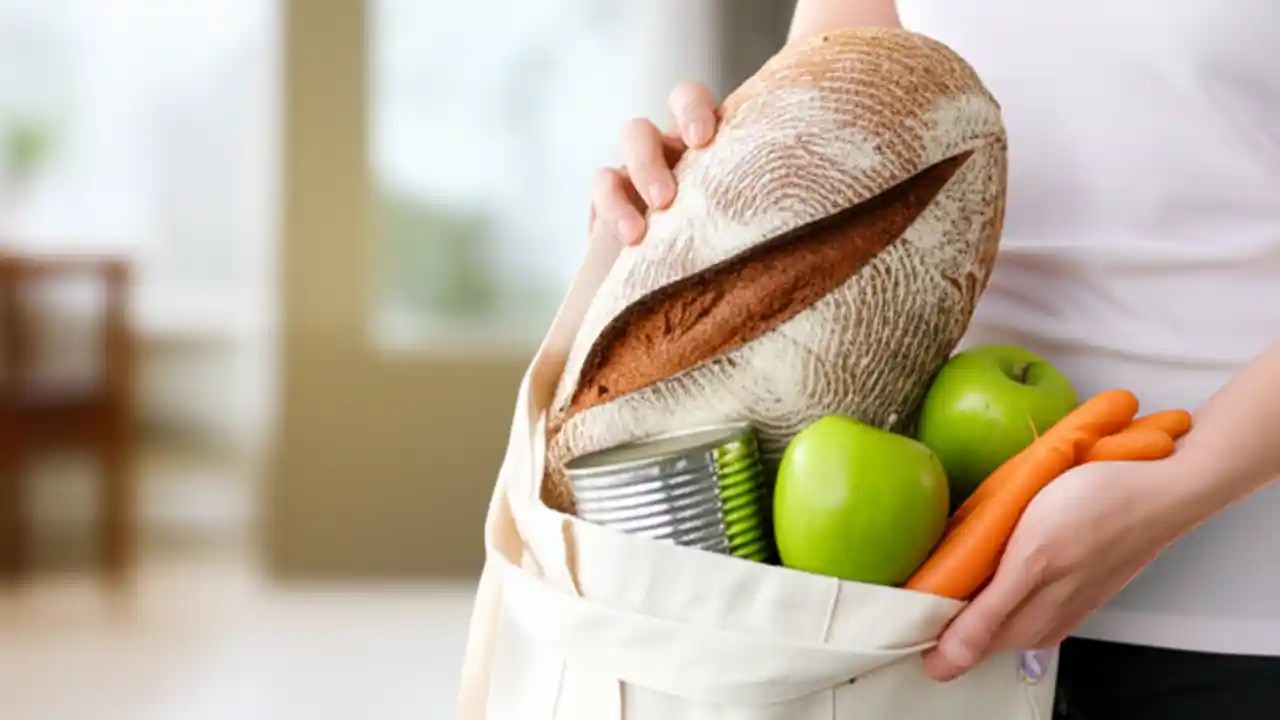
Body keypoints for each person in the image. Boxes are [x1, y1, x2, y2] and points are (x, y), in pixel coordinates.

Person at [586, 1, 1280, 717]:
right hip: (908, 605)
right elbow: (839, 136)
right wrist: (687, 201)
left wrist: (1187, 484)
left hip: (1239, 623)